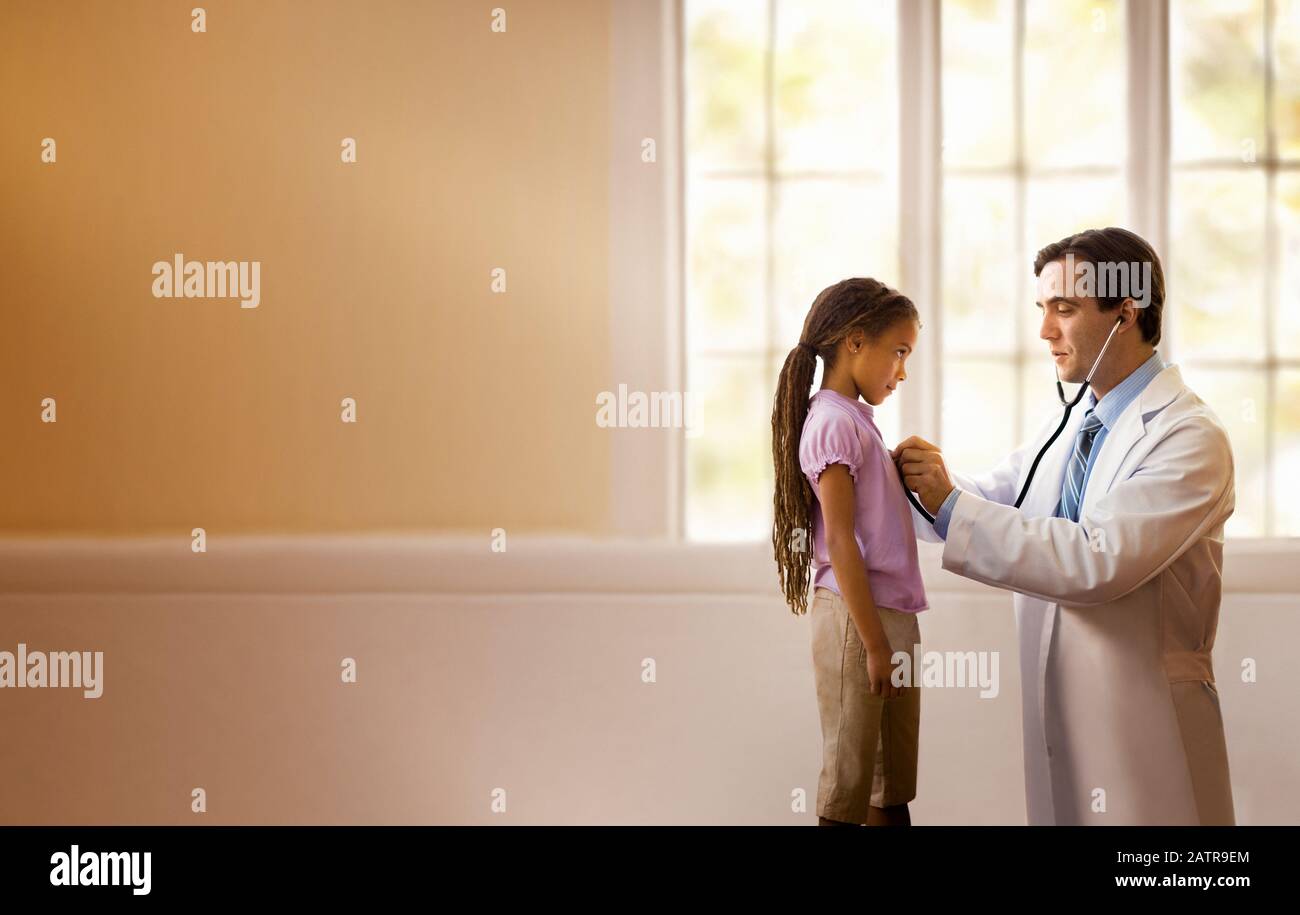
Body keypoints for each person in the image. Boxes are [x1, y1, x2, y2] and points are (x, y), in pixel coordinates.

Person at [895, 227, 1235, 825]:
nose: (1046, 330)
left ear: (1125, 313)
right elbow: (996, 498)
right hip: (1065, 721)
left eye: (1065, 308)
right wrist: (892, 478)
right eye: (1043, 309)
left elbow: (1096, 559)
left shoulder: (1189, 437)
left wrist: (949, 501)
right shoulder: (1075, 424)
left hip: (1148, 732)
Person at [771, 277, 928, 827]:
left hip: (887, 617)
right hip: (859, 624)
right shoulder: (833, 423)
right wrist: (875, 645)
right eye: (899, 353)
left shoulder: (857, 423)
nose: (902, 371)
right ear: (856, 342)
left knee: (891, 786)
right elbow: (839, 542)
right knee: (849, 782)